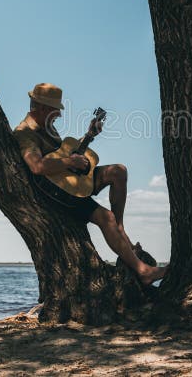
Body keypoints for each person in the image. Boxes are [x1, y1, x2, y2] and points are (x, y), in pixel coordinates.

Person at [13, 83, 166, 285]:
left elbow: (64, 155)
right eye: (55, 109)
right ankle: (143, 270)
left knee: (119, 171)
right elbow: (37, 166)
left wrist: (89, 136)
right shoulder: (26, 133)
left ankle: (119, 228)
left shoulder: (47, 127)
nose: (59, 113)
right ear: (41, 107)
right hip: (57, 193)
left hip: (70, 181)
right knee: (106, 218)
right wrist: (70, 162)